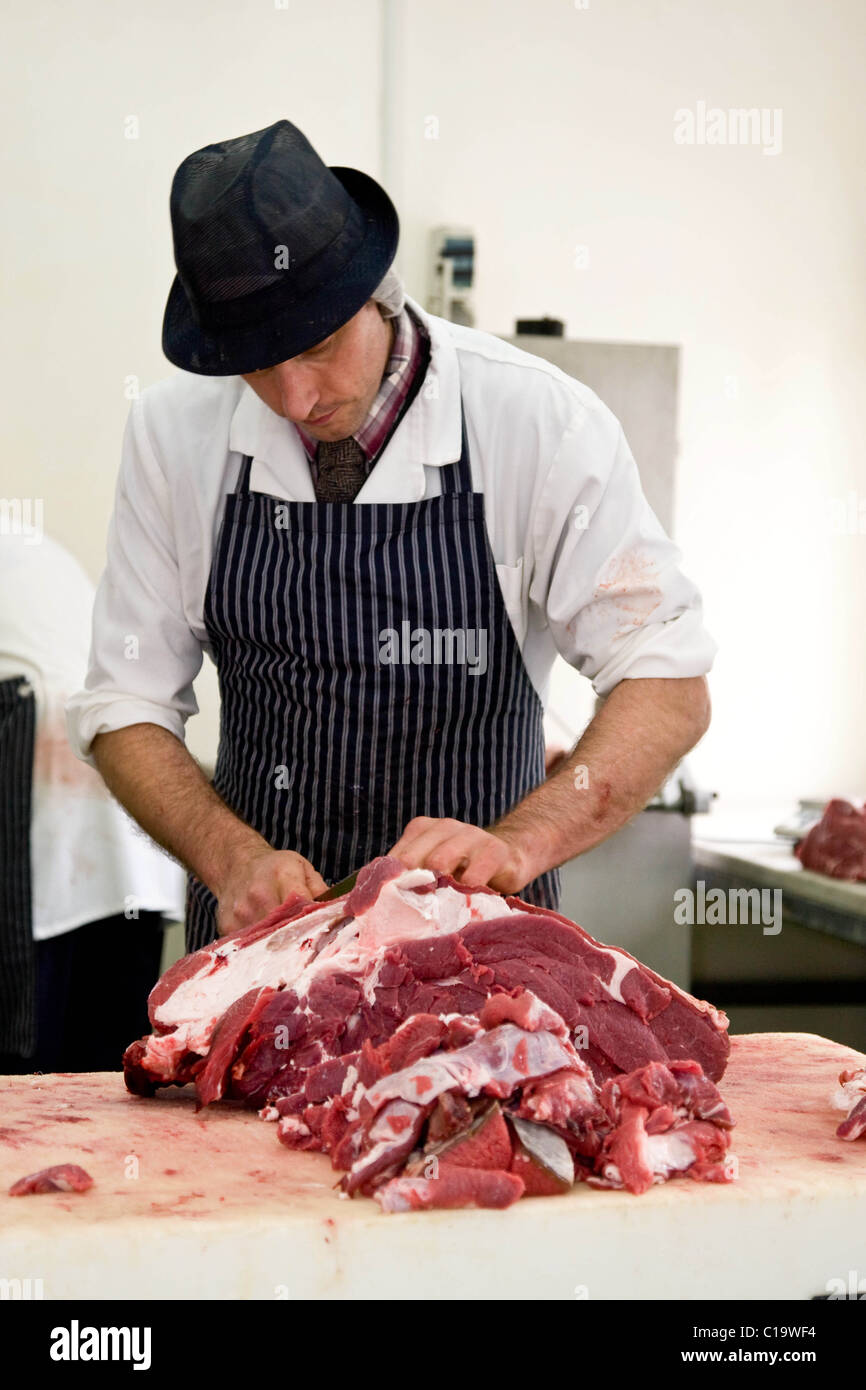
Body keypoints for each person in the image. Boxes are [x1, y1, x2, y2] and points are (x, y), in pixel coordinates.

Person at [67, 119, 715, 953]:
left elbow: (667, 679)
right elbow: (125, 705)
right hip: (259, 958)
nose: (297, 398)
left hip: (480, 967)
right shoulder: (172, 435)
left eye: (320, 347)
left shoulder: (536, 421)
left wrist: (518, 844)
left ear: (379, 292)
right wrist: (229, 859)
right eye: (259, 365)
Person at [0, 533, 184, 1071]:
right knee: (103, 1075)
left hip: (42, 821)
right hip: (125, 808)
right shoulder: (36, 545)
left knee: (29, 1090)